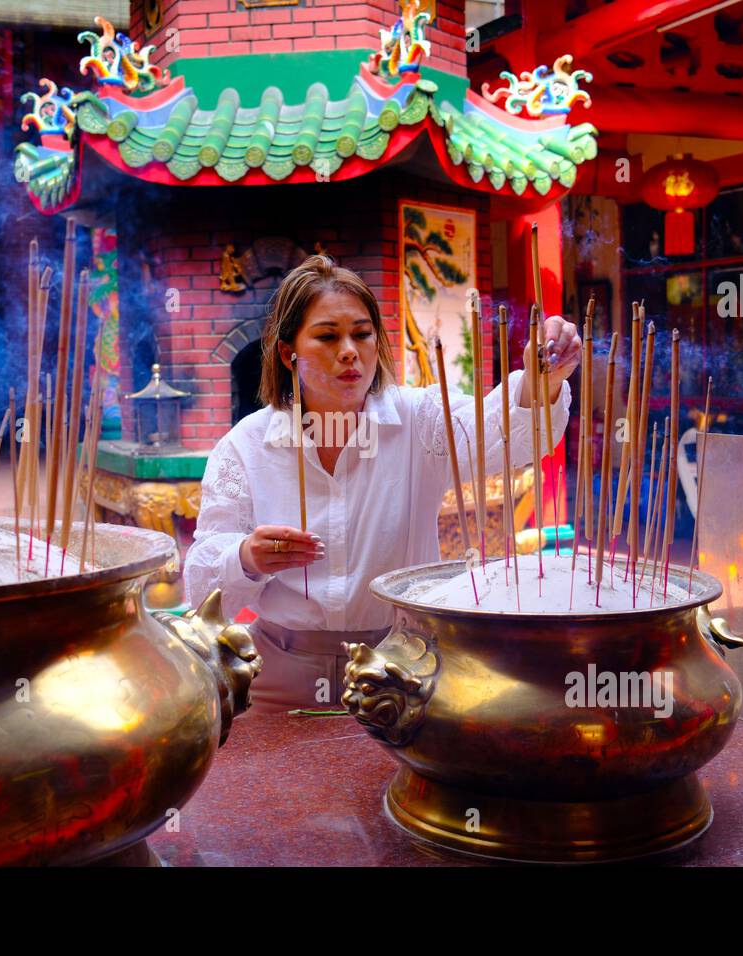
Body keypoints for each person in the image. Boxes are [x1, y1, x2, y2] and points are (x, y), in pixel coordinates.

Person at [183, 255, 580, 710]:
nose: (349, 350)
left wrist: (541, 380)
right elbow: (203, 588)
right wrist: (247, 556)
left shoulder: (419, 420)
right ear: (288, 354)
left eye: (362, 333)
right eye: (328, 336)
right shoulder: (246, 447)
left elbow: (503, 432)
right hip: (280, 672)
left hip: (403, 668)